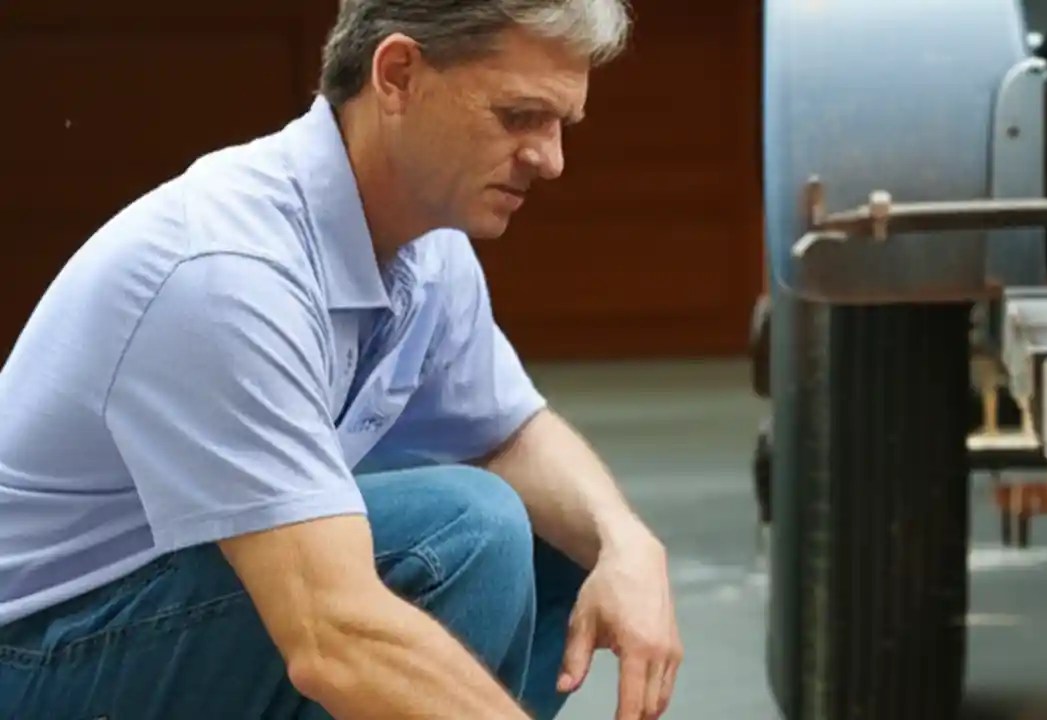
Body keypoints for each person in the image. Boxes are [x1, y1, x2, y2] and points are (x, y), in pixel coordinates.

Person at [0, 0, 683, 718]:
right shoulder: (226, 270)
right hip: (31, 653)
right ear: (398, 76)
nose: (551, 160)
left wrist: (626, 544)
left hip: (149, 608)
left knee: (558, 536)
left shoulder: (427, 244)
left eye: (560, 124)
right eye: (520, 116)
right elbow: (332, 635)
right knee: (466, 529)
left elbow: (506, 435)